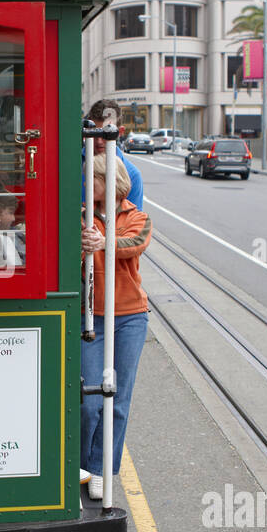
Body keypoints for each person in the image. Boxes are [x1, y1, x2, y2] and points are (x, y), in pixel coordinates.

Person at [80, 153, 151, 501]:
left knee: (118, 401)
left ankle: (101, 470)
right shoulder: (79, 216)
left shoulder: (137, 217)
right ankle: (79, 465)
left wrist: (104, 241)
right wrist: (81, 248)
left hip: (129, 316)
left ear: (110, 180)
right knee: (88, 400)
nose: (85, 184)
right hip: (91, 316)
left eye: (91, 177)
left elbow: (134, 245)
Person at [85, 99, 143, 210]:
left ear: (120, 132)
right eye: (95, 133)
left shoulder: (132, 174)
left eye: (106, 134)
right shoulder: (73, 164)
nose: (99, 141)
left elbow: (132, 221)